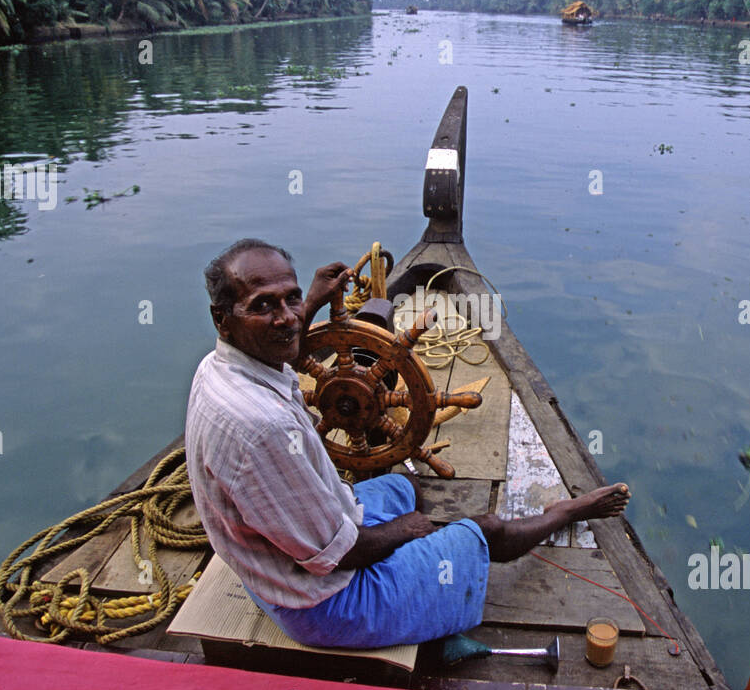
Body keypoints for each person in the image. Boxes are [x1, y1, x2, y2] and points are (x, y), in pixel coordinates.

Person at [185, 238, 631, 648]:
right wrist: (404, 532)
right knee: (486, 530)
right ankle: (564, 512)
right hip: (324, 603)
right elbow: (341, 556)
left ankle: (424, 561)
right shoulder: (264, 430)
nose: (285, 318)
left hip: (271, 566)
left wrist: (315, 302)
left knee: (405, 489)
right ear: (222, 319)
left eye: (292, 298)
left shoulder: (220, 366)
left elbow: (283, 334)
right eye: (263, 305)